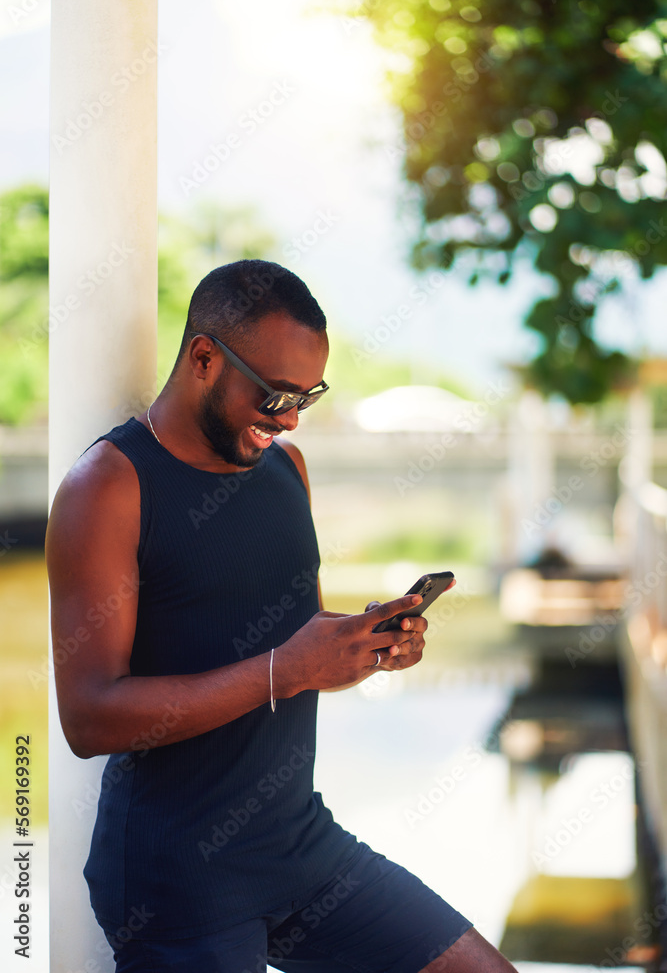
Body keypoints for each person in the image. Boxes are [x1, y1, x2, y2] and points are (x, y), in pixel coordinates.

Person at [47, 260, 517, 973]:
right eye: (274, 394)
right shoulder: (108, 486)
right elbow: (88, 718)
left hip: (300, 848)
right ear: (203, 358)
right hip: (176, 880)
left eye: (307, 395)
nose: (290, 417)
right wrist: (284, 669)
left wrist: (359, 649)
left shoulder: (285, 468)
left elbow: (294, 647)